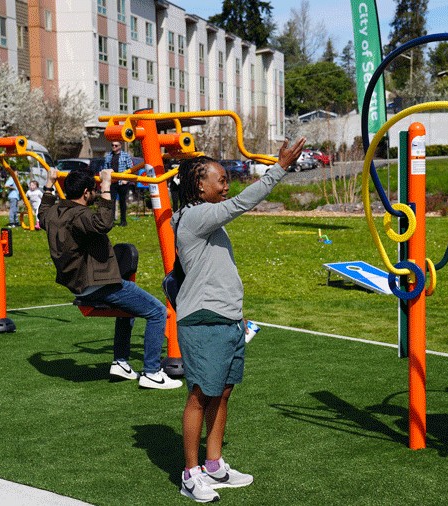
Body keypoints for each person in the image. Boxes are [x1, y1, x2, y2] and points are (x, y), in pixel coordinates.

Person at [174, 137, 306, 502]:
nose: (225, 184)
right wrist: (279, 168)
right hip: (204, 321)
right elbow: (244, 202)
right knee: (201, 394)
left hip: (227, 319)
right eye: (219, 179)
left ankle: (213, 464)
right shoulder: (197, 215)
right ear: (199, 185)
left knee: (224, 391)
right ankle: (190, 473)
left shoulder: (206, 217)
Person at [39, 166, 182, 390]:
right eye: (93, 190)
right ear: (86, 192)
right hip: (96, 284)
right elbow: (104, 223)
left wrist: (49, 183)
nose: (95, 192)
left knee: (130, 306)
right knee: (157, 311)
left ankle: (121, 362)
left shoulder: (53, 213)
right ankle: (152, 372)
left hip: (77, 285)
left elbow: (42, 209)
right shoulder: (80, 215)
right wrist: (106, 188)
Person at [104, 141, 135, 226]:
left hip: (123, 182)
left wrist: (126, 179)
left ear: (120, 146)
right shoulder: (108, 156)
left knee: (122, 202)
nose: (114, 147)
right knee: (112, 202)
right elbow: (105, 168)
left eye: (116, 145)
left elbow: (131, 168)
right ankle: (112, 221)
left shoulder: (125, 156)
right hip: (112, 182)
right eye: (112, 145)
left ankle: (123, 221)